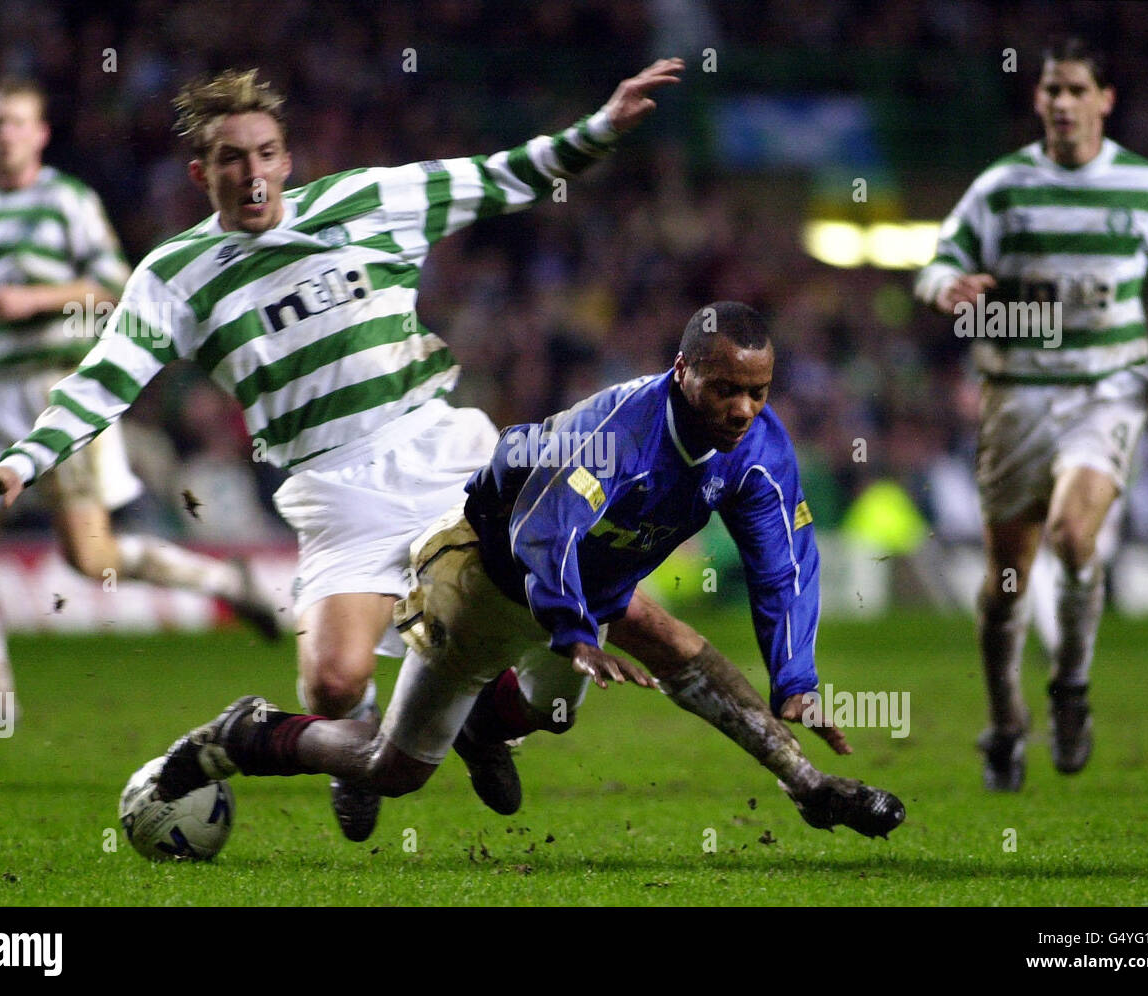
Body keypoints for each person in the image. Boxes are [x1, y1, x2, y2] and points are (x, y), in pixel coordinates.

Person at [0, 61, 689, 841]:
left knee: (565, 646)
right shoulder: (172, 276)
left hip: (442, 448)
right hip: (335, 485)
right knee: (333, 684)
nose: (251, 173)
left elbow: (500, 177)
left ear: (285, 158)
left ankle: (485, 725)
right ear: (201, 172)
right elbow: (103, 381)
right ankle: (360, 739)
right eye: (231, 159)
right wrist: (23, 459)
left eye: (265, 153)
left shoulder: (366, 201)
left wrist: (601, 128)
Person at [151, 302, 906, 841]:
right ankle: (244, 736)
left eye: (757, 392)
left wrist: (796, 676)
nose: (743, 409)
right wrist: (575, 628)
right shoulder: (619, 434)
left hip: (585, 590)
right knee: (396, 767)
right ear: (683, 373)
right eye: (725, 390)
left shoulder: (759, 447)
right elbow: (546, 529)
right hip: (491, 574)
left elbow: (784, 566)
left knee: (570, 702)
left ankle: (806, 789)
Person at [0, 78, 278, 706]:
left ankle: (226, 579)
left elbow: (115, 284)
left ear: (40, 134)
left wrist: (34, 299)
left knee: (89, 557)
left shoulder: (67, 201)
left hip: (60, 390)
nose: (2, 134)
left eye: (15, 122)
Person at [914, 38, 1148, 790]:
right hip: (1016, 395)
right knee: (1007, 577)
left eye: (1077, 89)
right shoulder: (1004, 187)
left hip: (1108, 388)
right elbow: (936, 261)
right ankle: (1004, 721)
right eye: (1051, 90)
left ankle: (1070, 688)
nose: (1061, 103)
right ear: (1038, 98)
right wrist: (946, 288)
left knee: (1076, 537)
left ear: (1104, 99)